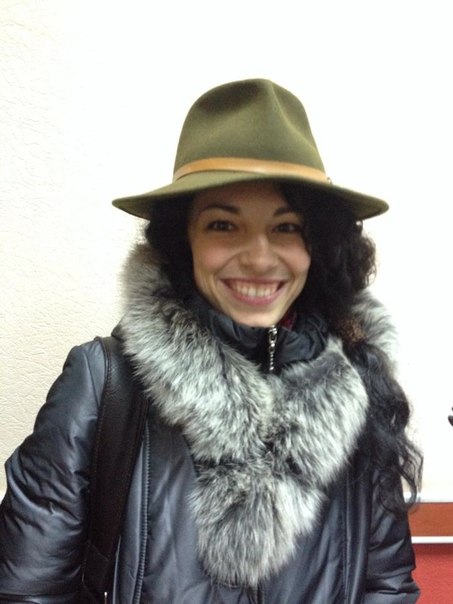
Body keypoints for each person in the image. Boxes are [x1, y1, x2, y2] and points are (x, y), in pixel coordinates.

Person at [0, 78, 422, 603]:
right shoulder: (103, 385)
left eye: (287, 228)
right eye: (224, 225)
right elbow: (27, 590)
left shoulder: (359, 386)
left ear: (318, 246)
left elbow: (387, 584)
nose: (260, 258)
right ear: (185, 241)